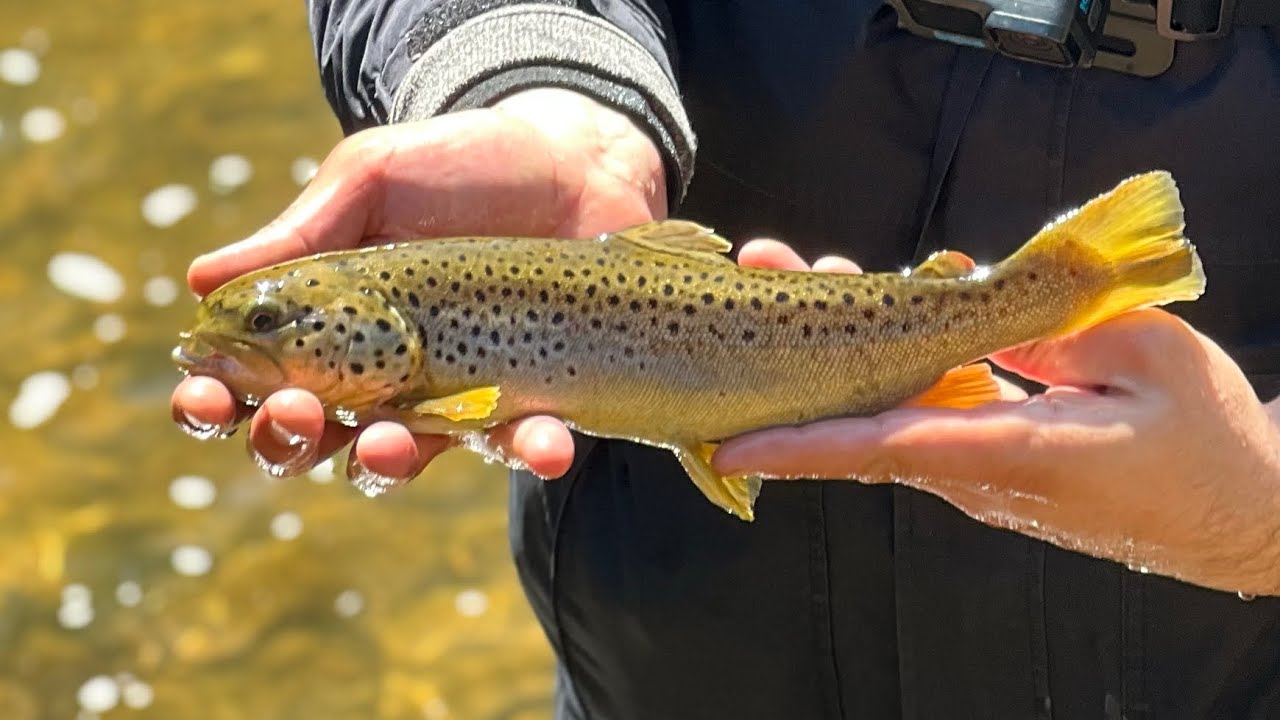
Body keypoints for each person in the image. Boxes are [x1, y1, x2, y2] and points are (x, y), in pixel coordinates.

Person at [173, 1, 1280, 717]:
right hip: (663, 672)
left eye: (272, 329)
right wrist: (536, 76)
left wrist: (1260, 515)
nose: (246, 345)